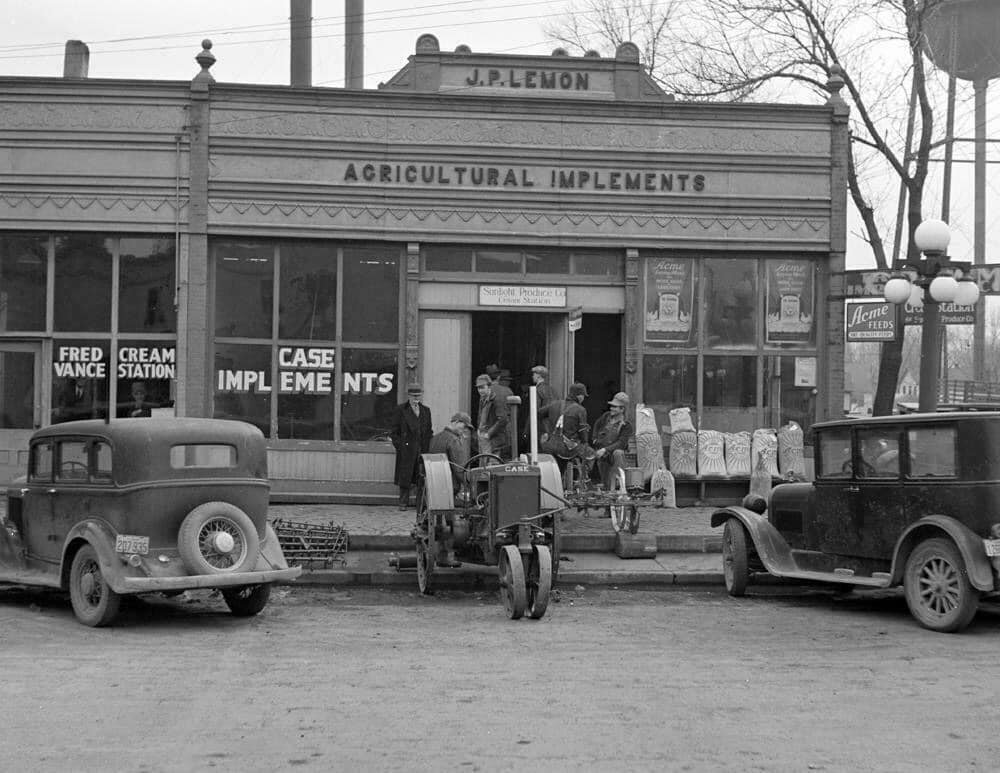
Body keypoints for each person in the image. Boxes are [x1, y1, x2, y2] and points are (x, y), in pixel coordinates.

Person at [389, 383, 433, 510]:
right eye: (414, 396)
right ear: (408, 396)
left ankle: (420, 504)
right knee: (405, 477)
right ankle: (403, 503)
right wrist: (401, 447)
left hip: (422, 448)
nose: (416, 398)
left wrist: (427, 445)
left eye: (418, 395)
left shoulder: (426, 410)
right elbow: (394, 432)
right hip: (407, 450)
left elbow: (429, 430)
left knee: (421, 477)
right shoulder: (401, 410)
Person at [539, 382, 591, 471]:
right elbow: (583, 433)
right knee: (591, 454)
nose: (583, 398)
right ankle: (580, 478)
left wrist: (544, 432)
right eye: (583, 396)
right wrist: (585, 443)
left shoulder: (554, 404)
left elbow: (537, 414)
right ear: (579, 396)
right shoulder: (580, 410)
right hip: (567, 450)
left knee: (556, 471)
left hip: (549, 445)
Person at [591, 391, 634, 488]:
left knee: (618, 453)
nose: (611, 408)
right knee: (606, 485)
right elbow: (596, 425)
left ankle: (619, 486)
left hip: (614, 457)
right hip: (603, 455)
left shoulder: (626, 425)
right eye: (611, 406)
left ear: (622, 409)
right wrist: (595, 439)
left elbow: (621, 443)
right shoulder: (606, 417)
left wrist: (605, 449)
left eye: (615, 407)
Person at [429, 411, 474, 496]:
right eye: (465, 426)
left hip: (433, 486)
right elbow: (460, 470)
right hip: (449, 487)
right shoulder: (454, 440)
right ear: (457, 422)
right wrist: (472, 485)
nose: (465, 430)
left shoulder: (435, 438)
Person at [475, 373, 509, 461]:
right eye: (478, 388)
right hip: (483, 436)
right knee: (483, 465)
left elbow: (503, 419)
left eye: (482, 387)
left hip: (492, 439)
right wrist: (479, 429)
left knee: (491, 466)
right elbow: (481, 415)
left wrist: (489, 434)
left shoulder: (497, 400)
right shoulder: (482, 399)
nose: (480, 390)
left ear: (489, 387)